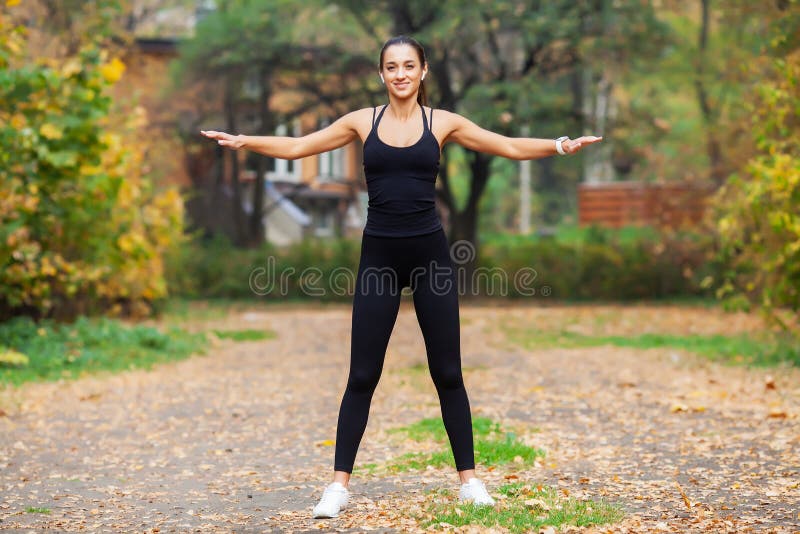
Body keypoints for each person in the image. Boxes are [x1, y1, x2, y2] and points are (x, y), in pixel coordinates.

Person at [201, 35, 602, 519]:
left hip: (431, 260)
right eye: (391, 67)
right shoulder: (361, 121)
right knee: (362, 375)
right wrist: (246, 142)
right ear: (381, 74)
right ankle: (337, 488)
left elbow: (509, 145)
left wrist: (560, 145)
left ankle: (470, 482)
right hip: (380, 261)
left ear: (423, 71)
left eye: (409, 65)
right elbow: (299, 147)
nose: (401, 74)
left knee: (448, 373)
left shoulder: (443, 123)